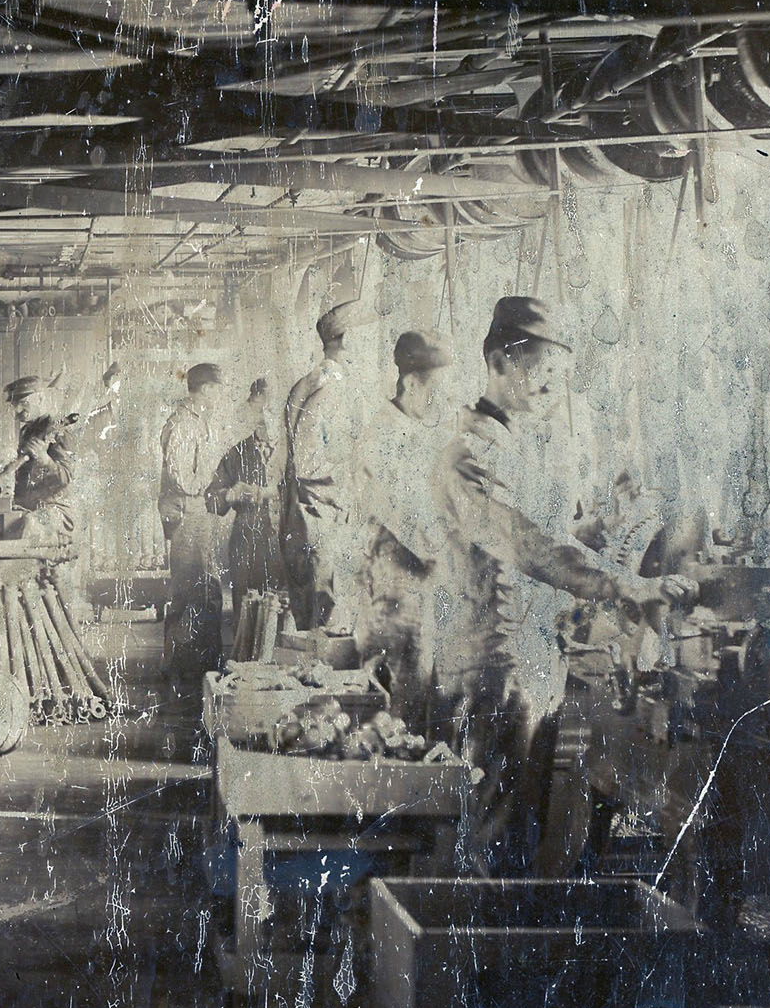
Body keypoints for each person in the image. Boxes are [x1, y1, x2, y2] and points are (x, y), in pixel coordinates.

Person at [427, 297, 695, 874]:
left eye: (559, 371)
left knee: (524, 834)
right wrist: (626, 586)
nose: (552, 384)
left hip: (532, 662)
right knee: (492, 838)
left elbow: (550, 536)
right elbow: (528, 545)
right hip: (492, 664)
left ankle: (504, 925)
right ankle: (480, 931)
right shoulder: (467, 457)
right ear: (498, 361)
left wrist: (596, 532)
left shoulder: (517, 448)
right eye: (539, 367)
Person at [349, 330, 456, 716]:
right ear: (411, 384)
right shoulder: (384, 435)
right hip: (397, 581)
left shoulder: (417, 428)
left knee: (422, 689)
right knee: (402, 694)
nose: (442, 401)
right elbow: (410, 515)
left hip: (421, 580)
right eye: (437, 390)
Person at [280, 299, 377, 631]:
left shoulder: (319, 380)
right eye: (366, 334)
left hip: (317, 514)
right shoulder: (331, 386)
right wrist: (347, 491)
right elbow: (310, 461)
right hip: (321, 518)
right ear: (348, 339)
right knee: (325, 624)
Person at [159, 362, 241, 706]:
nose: (221, 396)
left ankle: (196, 665)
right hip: (188, 511)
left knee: (203, 589)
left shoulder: (199, 420)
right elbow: (181, 476)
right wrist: (209, 484)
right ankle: (181, 669)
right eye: (218, 390)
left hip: (197, 511)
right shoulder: (182, 423)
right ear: (206, 389)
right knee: (191, 589)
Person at [205, 378, 283, 648]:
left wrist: (263, 493)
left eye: (270, 410)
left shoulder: (291, 453)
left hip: (283, 541)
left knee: (282, 616)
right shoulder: (237, 454)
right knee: (246, 617)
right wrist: (230, 494)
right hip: (247, 542)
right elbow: (211, 498)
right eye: (259, 410)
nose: (264, 416)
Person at [3, 376, 79, 545]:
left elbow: (67, 477)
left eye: (23, 403)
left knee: (30, 526)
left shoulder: (59, 431)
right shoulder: (27, 432)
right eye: (15, 405)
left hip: (57, 511)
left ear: (40, 398)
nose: (17, 411)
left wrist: (45, 460)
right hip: (30, 507)